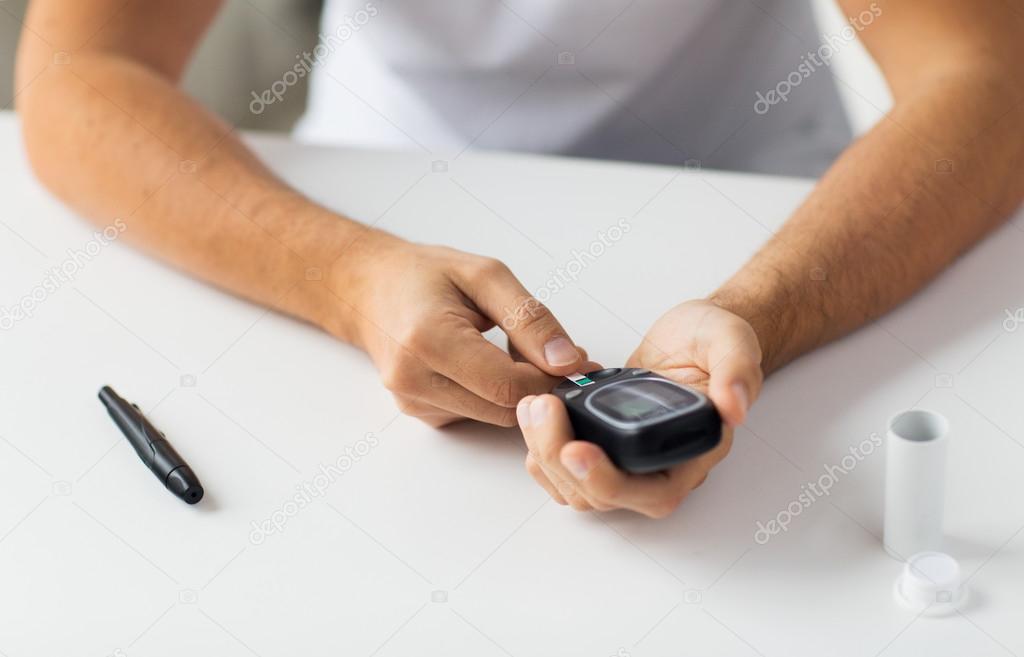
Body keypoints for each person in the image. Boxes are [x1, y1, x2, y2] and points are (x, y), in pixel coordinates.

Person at [16, 1, 1024, 517]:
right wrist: (345, 278)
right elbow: (77, 76)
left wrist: (766, 311)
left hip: (775, 209)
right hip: (372, 196)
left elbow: (990, 77)